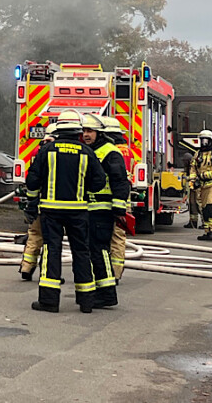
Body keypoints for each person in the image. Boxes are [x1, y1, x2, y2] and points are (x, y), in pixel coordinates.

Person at [22, 109, 107, 313]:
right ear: (78, 130)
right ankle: (86, 301)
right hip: (78, 212)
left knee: (52, 250)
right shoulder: (87, 152)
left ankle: (49, 300)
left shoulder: (48, 150)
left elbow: (32, 180)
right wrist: (83, 189)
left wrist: (31, 205)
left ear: (59, 129)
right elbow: (99, 182)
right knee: (81, 252)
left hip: (51, 211)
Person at [81, 114, 130, 309]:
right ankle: (98, 290)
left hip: (103, 210)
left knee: (100, 251)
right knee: (92, 251)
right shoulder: (89, 151)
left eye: (90, 131)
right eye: (84, 131)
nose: (86, 135)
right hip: (88, 210)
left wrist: (119, 208)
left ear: (99, 133)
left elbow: (120, 181)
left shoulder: (110, 152)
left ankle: (107, 293)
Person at [18, 122, 57, 281]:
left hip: (37, 200)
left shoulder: (36, 150)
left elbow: (32, 176)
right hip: (52, 201)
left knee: (34, 234)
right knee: (50, 240)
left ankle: (26, 267)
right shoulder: (55, 151)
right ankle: (46, 272)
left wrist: (31, 201)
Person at [101, 116, 132, 281]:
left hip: (106, 199)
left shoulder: (109, 151)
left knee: (104, 238)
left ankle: (106, 272)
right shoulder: (127, 150)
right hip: (123, 200)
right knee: (119, 237)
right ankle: (117, 272)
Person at [186, 129, 212, 241]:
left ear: (210, 141)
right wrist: (193, 181)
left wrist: (204, 175)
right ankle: (207, 231)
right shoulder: (197, 154)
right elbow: (193, 168)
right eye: (202, 140)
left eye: (206, 140)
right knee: (204, 208)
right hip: (203, 185)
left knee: (210, 205)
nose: (204, 143)